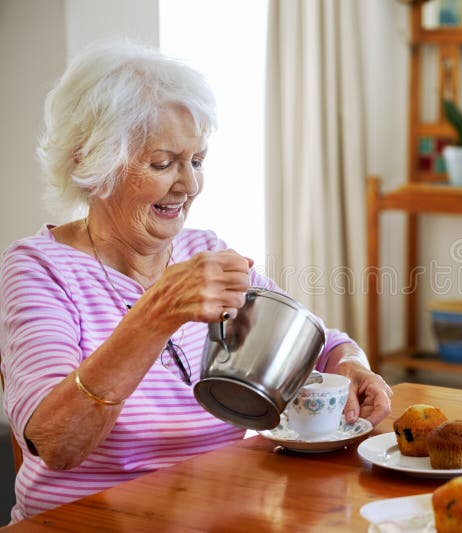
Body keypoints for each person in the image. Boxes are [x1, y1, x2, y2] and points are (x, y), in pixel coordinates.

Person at [0, 42, 392, 522]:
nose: (190, 185)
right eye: (163, 163)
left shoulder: (202, 252)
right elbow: (55, 442)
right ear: (90, 165)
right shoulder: (40, 268)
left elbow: (317, 341)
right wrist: (159, 312)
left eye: (197, 161)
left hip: (214, 515)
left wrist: (352, 364)